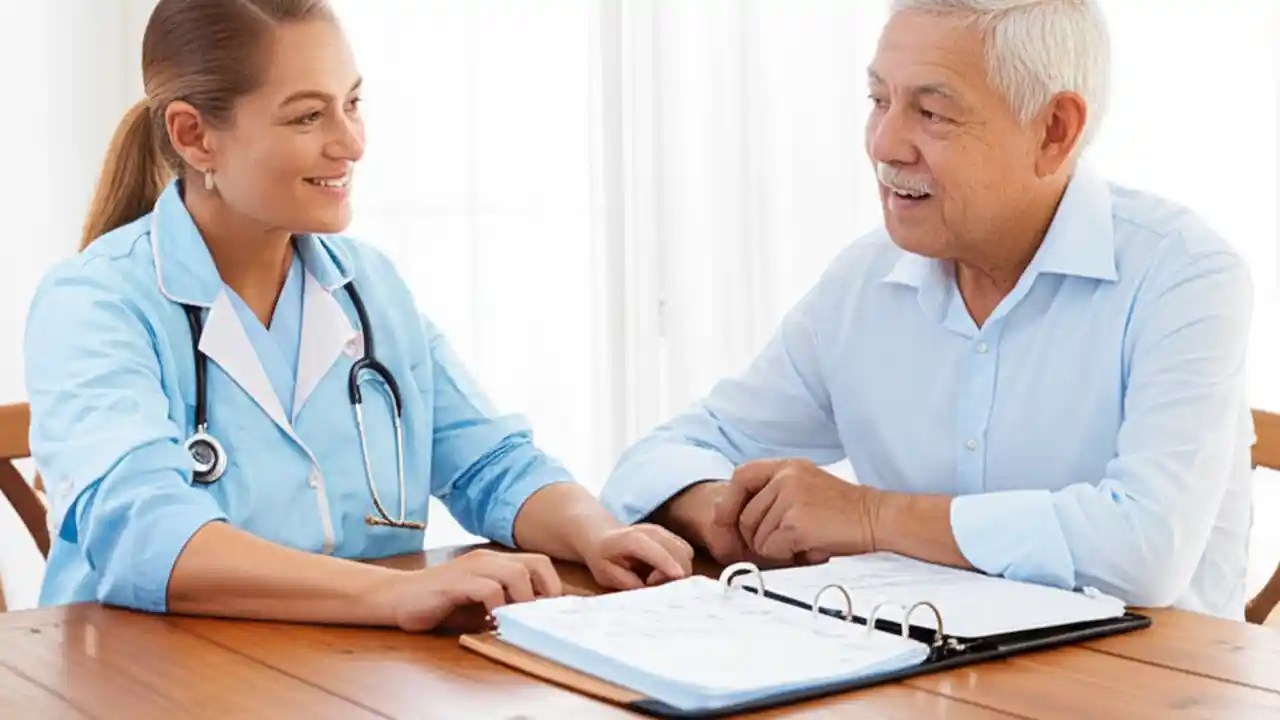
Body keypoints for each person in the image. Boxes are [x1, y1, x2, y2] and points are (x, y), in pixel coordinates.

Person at [26, 0, 692, 632]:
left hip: (343, 671)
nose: (351, 143)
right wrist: (396, 595)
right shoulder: (96, 304)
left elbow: (489, 463)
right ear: (194, 135)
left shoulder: (368, 287)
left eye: (352, 104)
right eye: (307, 117)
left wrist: (597, 532)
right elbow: (146, 538)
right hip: (143, 682)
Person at [601, 0, 1254, 619]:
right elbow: (660, 456)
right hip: (915, 679)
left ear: (1054, 131)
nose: (885, 144)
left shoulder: (1182, 273)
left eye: (932, 113)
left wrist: (869, 518)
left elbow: (1144, 549)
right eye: (878, 100)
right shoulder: (863, 283)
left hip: (1144, 687)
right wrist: (728, 509)